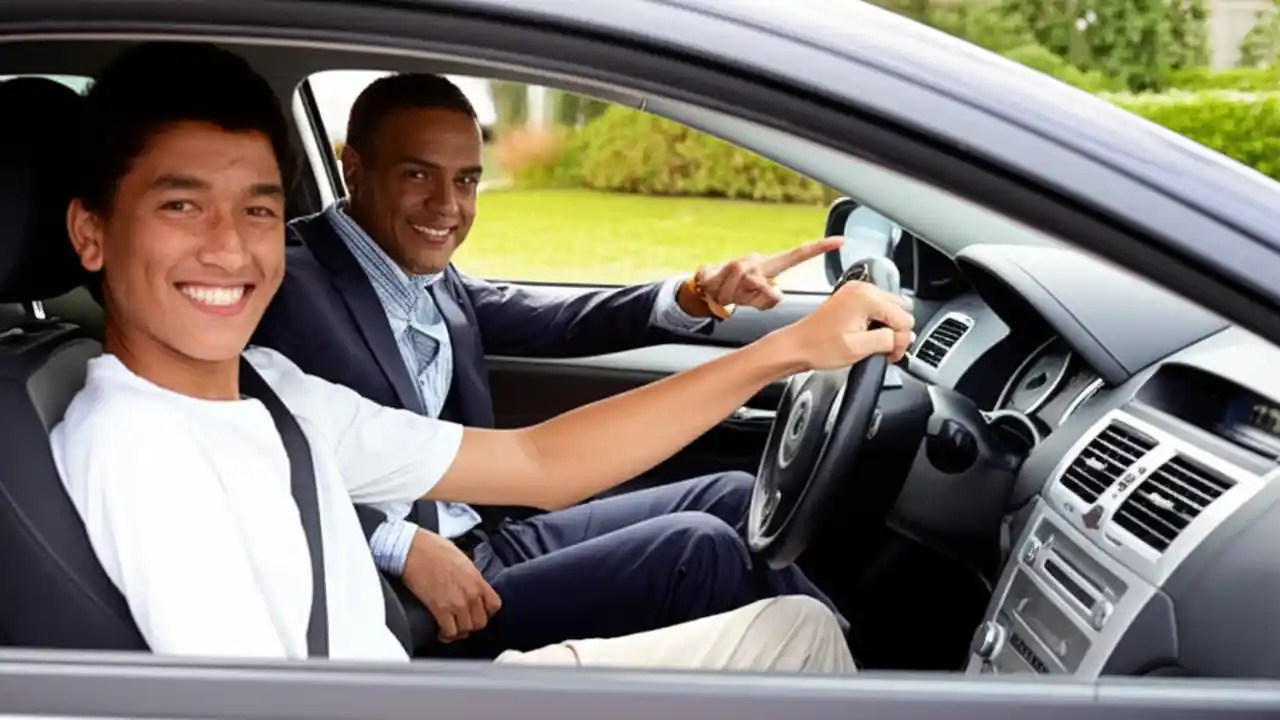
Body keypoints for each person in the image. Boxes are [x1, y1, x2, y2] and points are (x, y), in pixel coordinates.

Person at [49, 42, 912, 671]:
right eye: (181, 207)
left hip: (417, 629)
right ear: (91, 232)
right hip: (421, 670)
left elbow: (537, 458)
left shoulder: (272, 393)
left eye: (259, 211)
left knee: (789, 615)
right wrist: (400, 547)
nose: (232, 253)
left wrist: (783, 349)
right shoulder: (139, 452)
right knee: (777, 621)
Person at [253, 72, 852, 654]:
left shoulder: (420, 271)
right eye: (417, 175)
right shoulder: (279, 284)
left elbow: (555, 319)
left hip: (481, 537)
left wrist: (697, 293)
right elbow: (246, 458)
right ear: (353, 169)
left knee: (730, 495)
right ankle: (864, 685)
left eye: (466, 181)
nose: (447, 206)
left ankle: (846, 659)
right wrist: (390, 541)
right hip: (413, 600)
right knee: (701, 550)